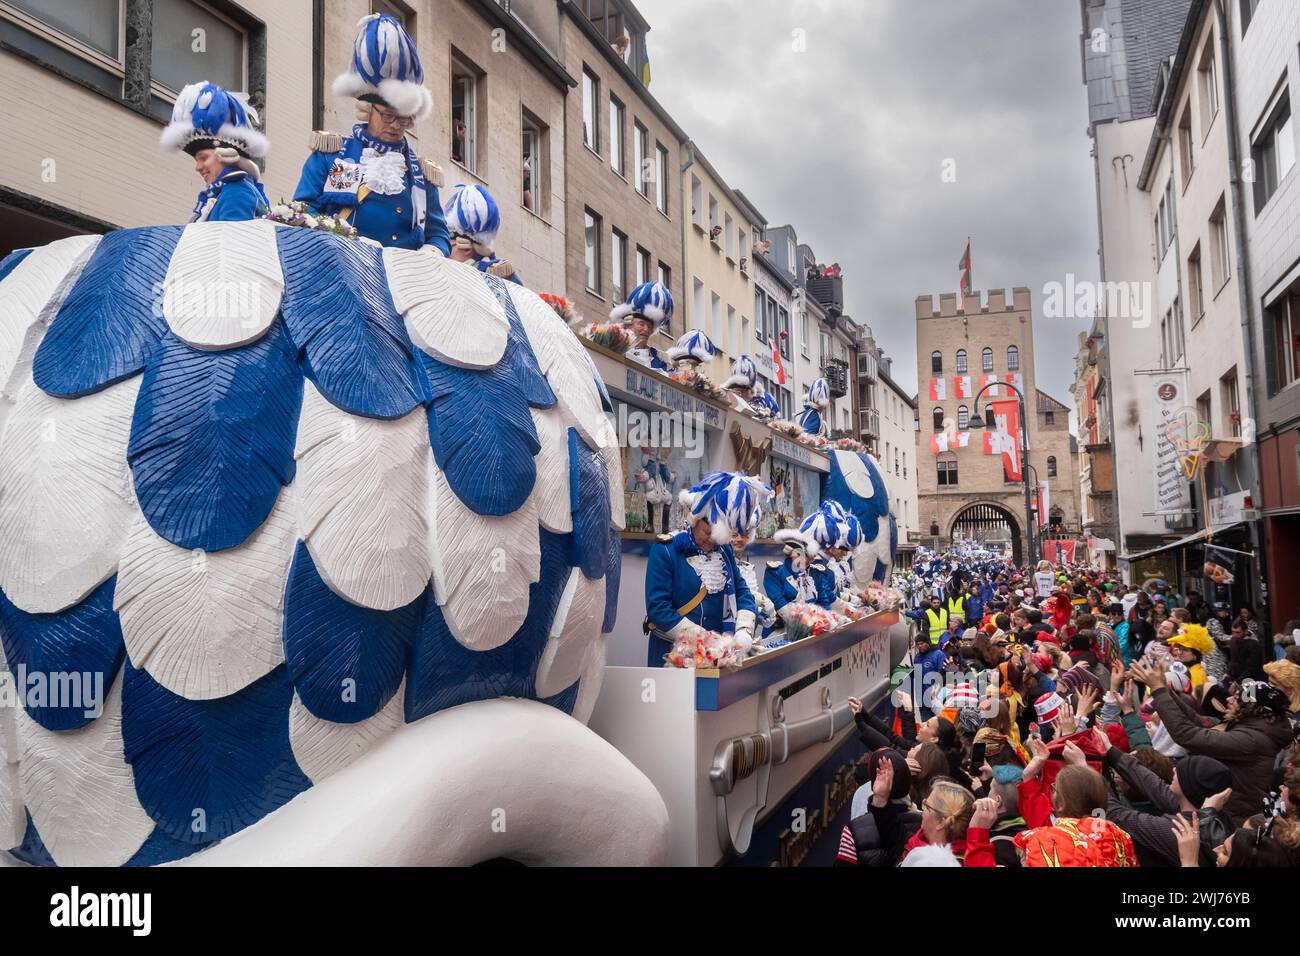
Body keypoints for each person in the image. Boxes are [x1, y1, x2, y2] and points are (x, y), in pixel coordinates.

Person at [294, 13, 450, 254]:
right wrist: (341, 236)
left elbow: (438, 234)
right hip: (341, 266)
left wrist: (431, 252)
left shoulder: (422, 174)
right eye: (389, 116)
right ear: (367, 110)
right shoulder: (329, 154)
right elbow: (302, 209)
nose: (397, 125)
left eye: (405, 119)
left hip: (402, 279)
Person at [1133, 660, 1294, 823]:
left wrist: (1159, 690)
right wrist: (1164, 688)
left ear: (1253, 709)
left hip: (1232, 820)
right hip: (1225, 813)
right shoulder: (1248, 729)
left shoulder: (1251, 740)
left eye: (1238, 699)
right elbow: (1195, 720)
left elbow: (1187, 735)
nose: (1229, 699)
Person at [643, 472, 766, 667]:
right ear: (695, 521)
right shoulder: (666, 550)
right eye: (707, 532)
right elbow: (659, 609)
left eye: (718, 535)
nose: (712, 540)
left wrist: (743, 631)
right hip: (672, 654)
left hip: (717, 657)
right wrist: (704, 640)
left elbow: (742, 592)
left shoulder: (724, 551)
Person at [1095, 726, 1233, 867]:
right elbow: (1153, 785)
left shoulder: (1175, 830)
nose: (1173, 769)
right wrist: (1111, 751)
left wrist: (1088, 772)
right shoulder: (1207, 815)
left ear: (1189, 788)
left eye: (1180, 771)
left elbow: (1117, 814)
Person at [1010, 737, 1138, 866]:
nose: (1052, 792)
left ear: (1061, 804)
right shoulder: (1120, 835)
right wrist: (1029, 778)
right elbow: (1044, 821)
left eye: (1054, 788)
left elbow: (1049, 832)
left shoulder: (1044, 841)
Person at [160, 81, 269, 223]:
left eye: (204, 158)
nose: (198, 167)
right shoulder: (224, 193)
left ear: (225, 155)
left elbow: (230, 244)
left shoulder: (236, 193)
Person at [441, 183, 520, 284]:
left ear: (466, 249)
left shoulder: (490, 275)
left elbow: (517, 294)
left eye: (449, 243)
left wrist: (492, 257)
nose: (442, 249)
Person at [763, 528, 821, 633]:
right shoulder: (775, 571)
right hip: (781, 631)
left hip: (810, 629)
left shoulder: (810, 574)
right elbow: (779, 602)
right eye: (802, 555)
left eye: (811, 557)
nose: (807, 560)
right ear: (791, 553)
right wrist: (807, 623)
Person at [615, 281, 673, 372]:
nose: (646, 329)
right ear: (630, 324)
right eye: (641, 324)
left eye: (650, 327)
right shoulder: (616, 348)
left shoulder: (661, 360)